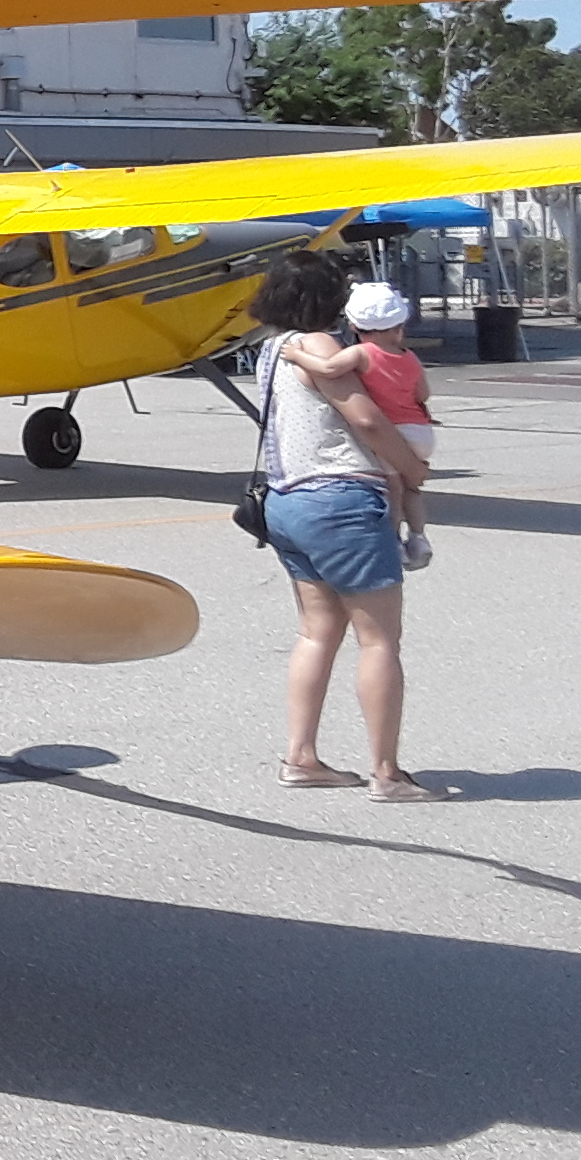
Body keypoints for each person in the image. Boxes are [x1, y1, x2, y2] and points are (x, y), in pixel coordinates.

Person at [250, 249, 443, 802]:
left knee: (317, 631)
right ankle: (386, 772)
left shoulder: (272, 349)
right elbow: (364, 417)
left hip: (287, 499)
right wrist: (411, 468)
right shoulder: (321, 346)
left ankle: (301, 756)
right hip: (341, 499)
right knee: (379, 639)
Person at [292, 282, 437, 570]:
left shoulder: (361, 353)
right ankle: (419, 536)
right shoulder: (410, 356)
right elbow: (423, 394)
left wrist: (297, 355)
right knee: (412, 488)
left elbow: (329, 368)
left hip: (392, 432)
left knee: (392, 489)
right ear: (400, 327)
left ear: (354, 326)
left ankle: (394, 541)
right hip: (421, 431)